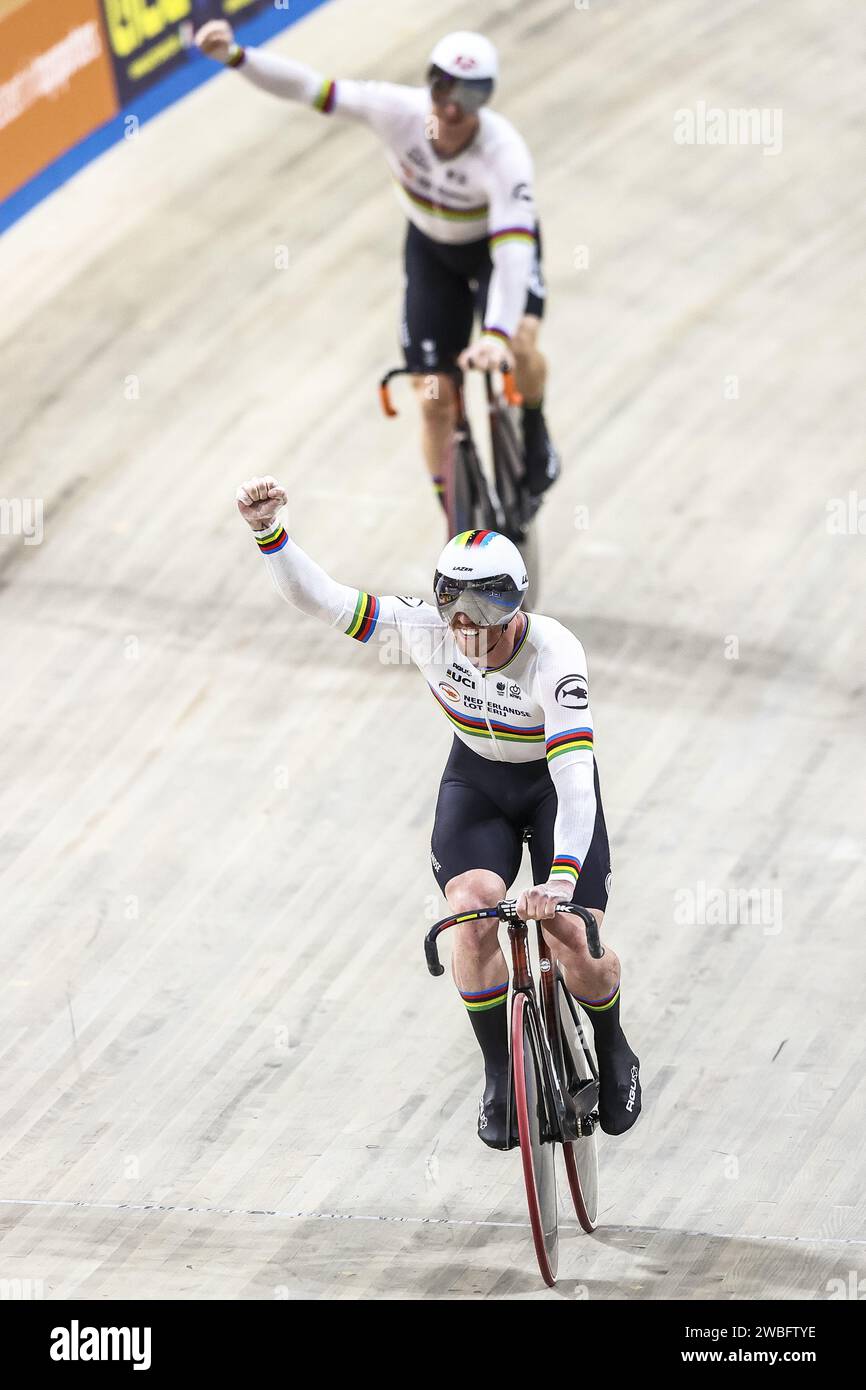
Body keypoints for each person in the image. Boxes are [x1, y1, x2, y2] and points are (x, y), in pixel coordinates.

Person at [236, 474, 642, 1148]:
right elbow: (325, 601)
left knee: (573, 933)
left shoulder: (556, 656)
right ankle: (497, 1073)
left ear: (517, 609)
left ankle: (614, 1043)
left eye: (486, 623)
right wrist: (267, 532)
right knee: (472, 913)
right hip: (477, 785)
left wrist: (560, 883)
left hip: (550, 791)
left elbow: (574, 785)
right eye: (458, 621)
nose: (470, 637)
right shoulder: (422, 629)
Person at [197, 21, 561, 516]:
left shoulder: (504, 153)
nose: (452, 108)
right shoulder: (396, 110)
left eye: (471, 98)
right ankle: (454, 518)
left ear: (488, 100)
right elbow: (310, 88)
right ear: (428, 81)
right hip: (432, 250)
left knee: (519, 342)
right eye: (443, 88)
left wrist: (495, 335)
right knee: (434, 399)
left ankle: (535, 428)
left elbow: (514, 257)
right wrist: (237, 56)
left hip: (494, 251)